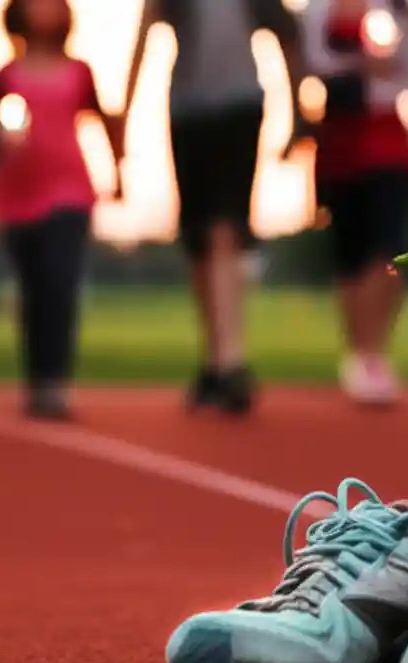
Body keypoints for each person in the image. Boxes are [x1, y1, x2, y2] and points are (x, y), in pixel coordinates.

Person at [120, 0, 305, 416]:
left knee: (226, 230)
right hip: (188, 112)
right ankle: (215, 357)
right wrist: (123, 117)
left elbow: (287, 36)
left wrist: (298, 113)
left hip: (239, 108)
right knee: (200, 239)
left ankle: (231, 363)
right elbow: (145, 32)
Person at [300, 0, 408, 404]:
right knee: (350, 252)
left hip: (387, 139)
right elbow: (313, 63)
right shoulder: (319, 10)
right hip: (339, 139)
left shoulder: (397, 10)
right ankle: (358, 352)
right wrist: (360, 63)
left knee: (390, 248)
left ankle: (375, 351)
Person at [0, 0, 122, 421]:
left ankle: (56, 383)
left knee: (60, 283)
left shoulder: (80, 72)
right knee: (32, 291)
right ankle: (37, 379)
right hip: (16, 193)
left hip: (69, 190)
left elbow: (103, 120)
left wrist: (119, 170)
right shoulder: (0, 77)